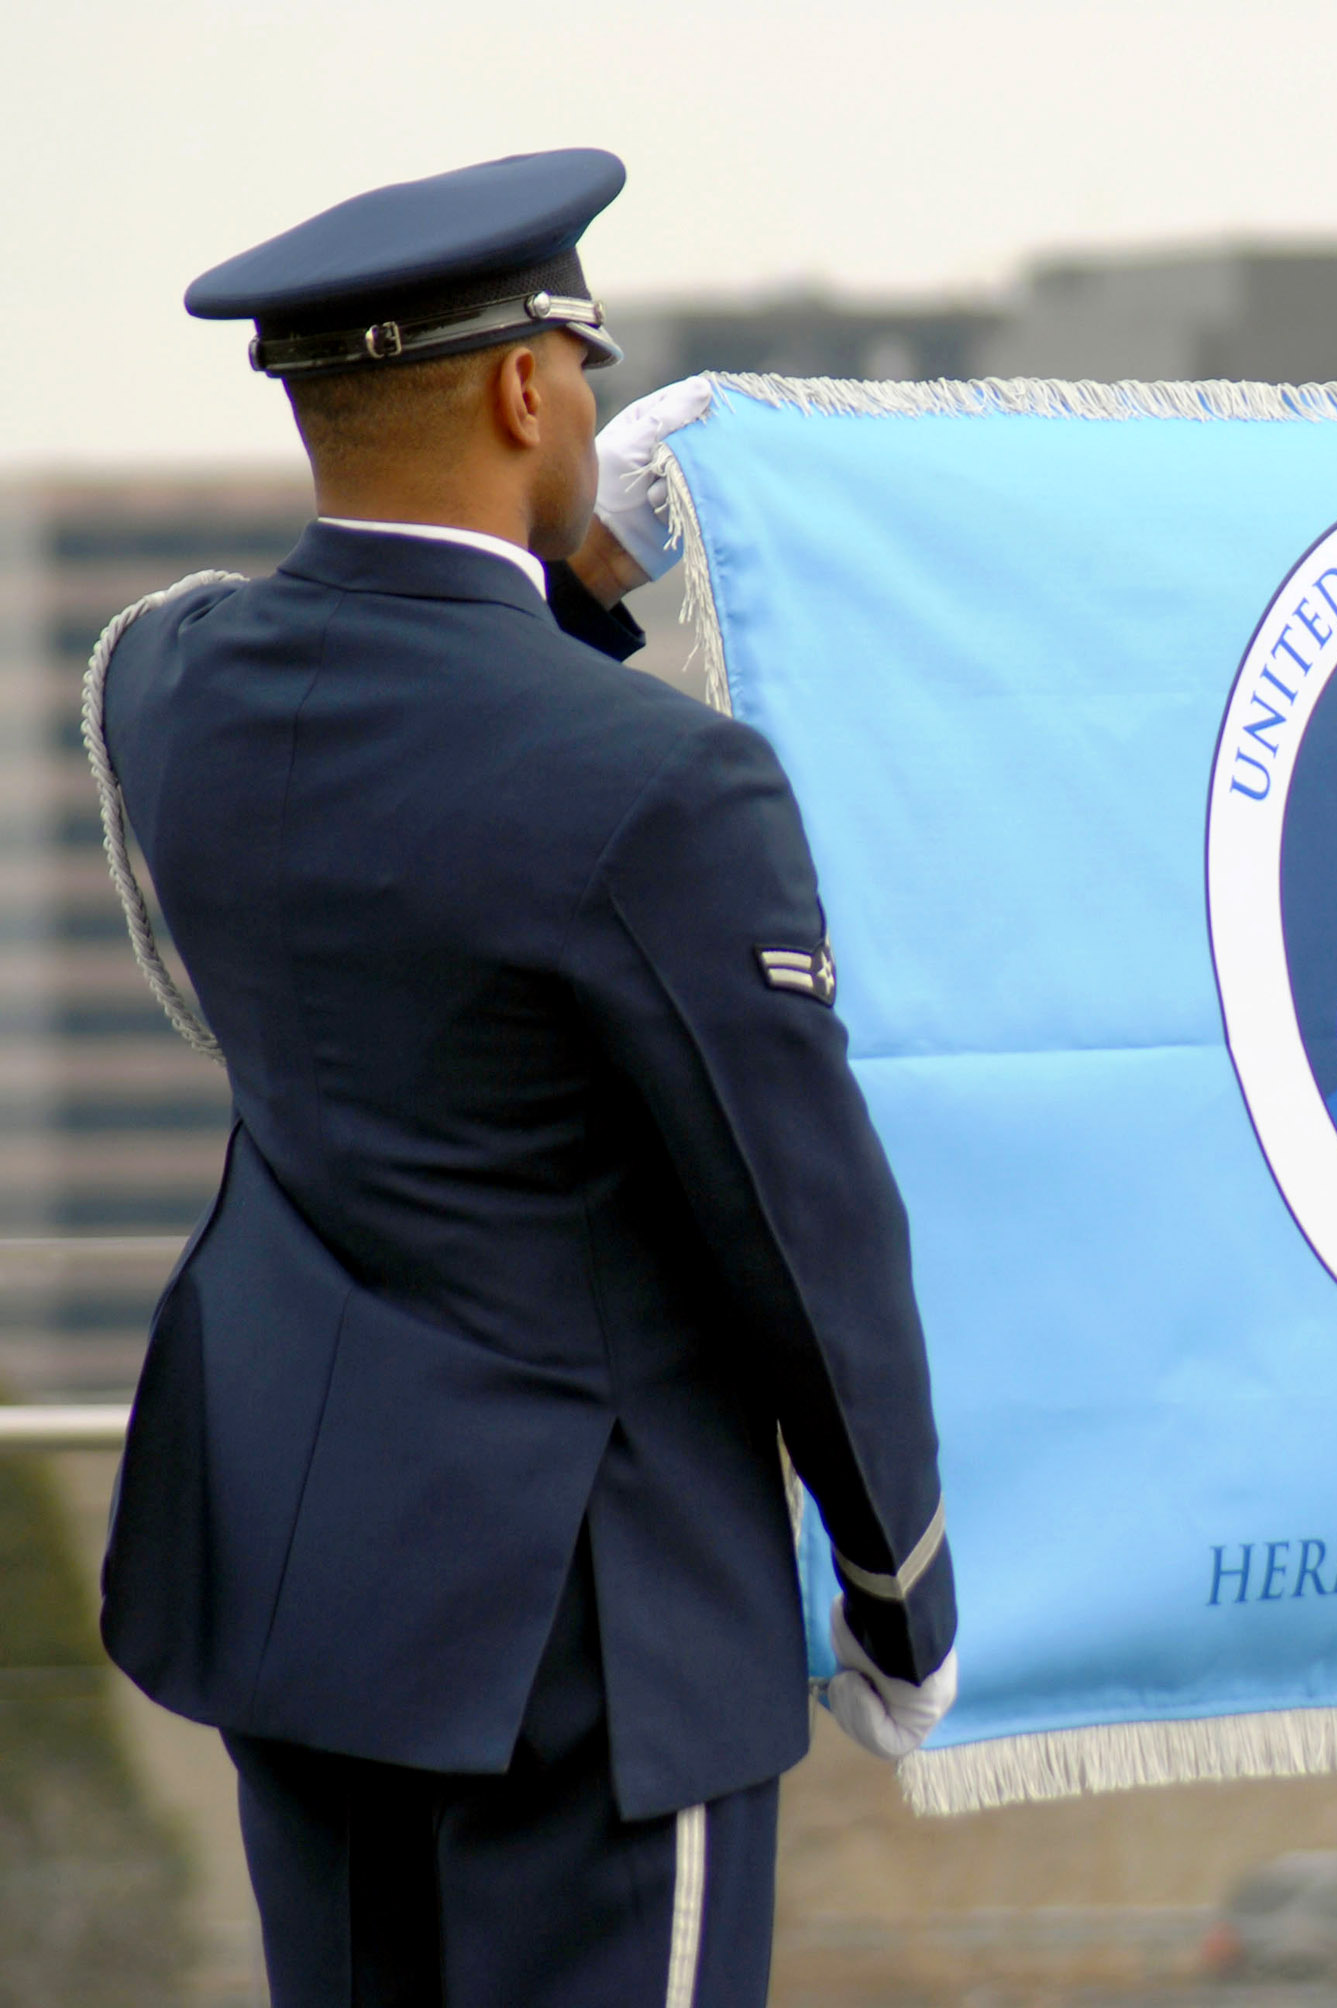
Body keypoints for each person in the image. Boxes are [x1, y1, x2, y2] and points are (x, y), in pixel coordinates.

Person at [90, 149, 958, 2007]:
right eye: (582, 365)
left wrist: (538, 566)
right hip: (592, 1646)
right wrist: (902, 1588)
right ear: (521, 389)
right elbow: (803, 1229)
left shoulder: (172, 694)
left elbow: (361, 677)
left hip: (304, 1594)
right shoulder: (663, 786)